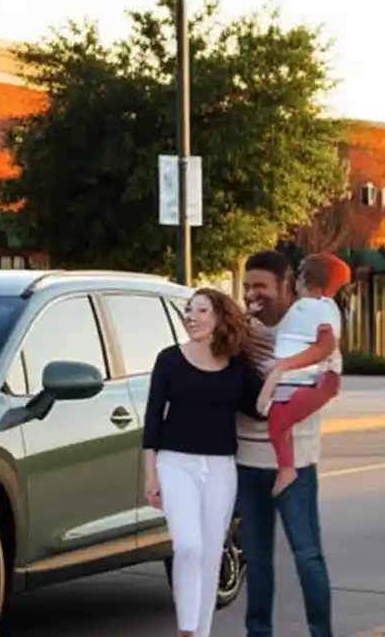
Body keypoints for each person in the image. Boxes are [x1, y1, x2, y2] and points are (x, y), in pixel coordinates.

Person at [142, 287, 264, 637]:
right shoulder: (168, 360)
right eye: (189, 310)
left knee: (211, 554)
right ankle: (186, 629)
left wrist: (282, 373)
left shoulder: (236, 365)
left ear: (219, 318)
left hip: (221, 468)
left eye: (201, 311)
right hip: (175, 463)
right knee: (189, 546)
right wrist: (151, 475)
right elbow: (153, 421)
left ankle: (201, 632)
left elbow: (259, 408)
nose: (191, 317)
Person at [237, 250, 335, 637]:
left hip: (294, 462)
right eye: (246, 287)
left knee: (307, 556)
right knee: (257, 559)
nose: (251, 295)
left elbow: (324, 385)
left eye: (260, 286)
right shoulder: (239, 332)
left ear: (286, 285)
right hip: (246, 459)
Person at [257, 253, 345, 497]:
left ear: (305, 279)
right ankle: (287, 468)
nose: (295, 281)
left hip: (319, 380)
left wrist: (283, 366)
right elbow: (284, 335)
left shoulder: (320, 307)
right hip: (298, 379)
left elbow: (324, 347)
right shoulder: (305, 307)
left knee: (277, 421)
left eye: (298, 275)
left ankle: (287, 469)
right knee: (278, 421)